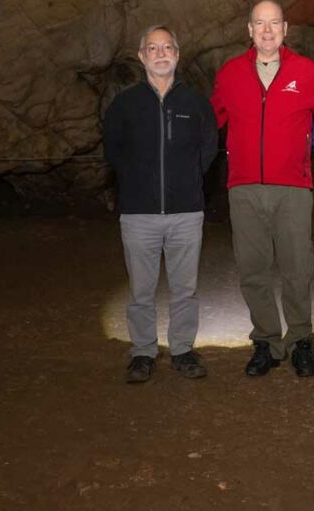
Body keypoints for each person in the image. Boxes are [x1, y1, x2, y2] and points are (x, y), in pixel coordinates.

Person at [211, 0, 314, 377]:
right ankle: (266, 341)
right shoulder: (230, 74)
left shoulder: (306, 72)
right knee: (253, 269)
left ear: (285, 28)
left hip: (292, 188)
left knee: (297, 268)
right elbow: (209, 121)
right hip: (244, 188)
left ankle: (300, 341)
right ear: (249, 29)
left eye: (273, 23)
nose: (266, 30)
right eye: (259, 24)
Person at [103, 25, 218, 384]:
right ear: (142, 57)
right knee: (141, 289)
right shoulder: (125, 105)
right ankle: (142, 352)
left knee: (185, 288)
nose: (160, 53)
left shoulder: (196, 103)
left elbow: (208, 148)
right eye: (152, 48)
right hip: (139, 213)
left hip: (186, 211)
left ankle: (182, 349)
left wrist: (186, 180)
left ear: (177, 53)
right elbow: (114, 151)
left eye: (167, 47)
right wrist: (140, 183)